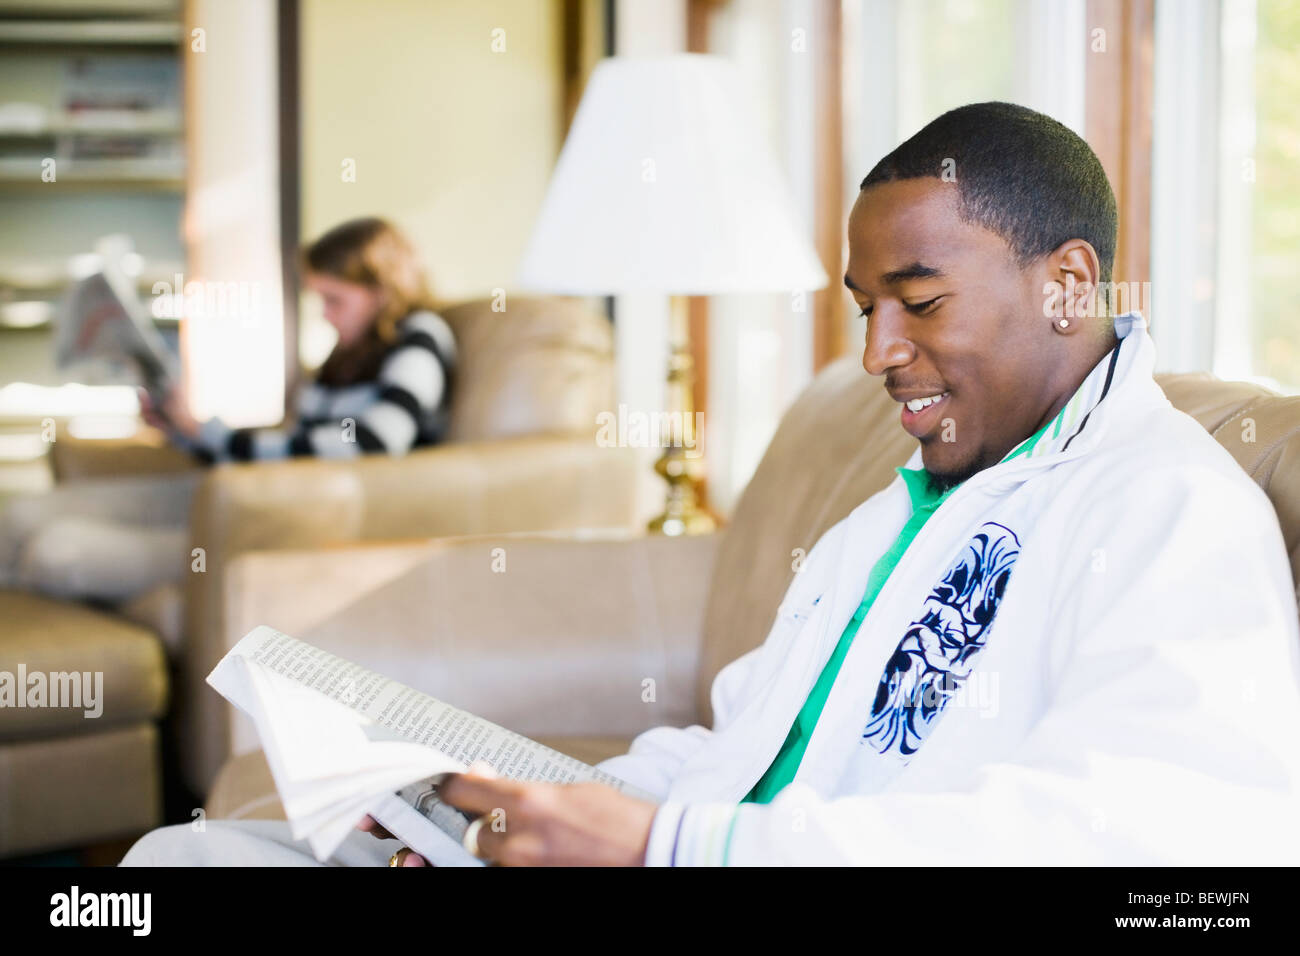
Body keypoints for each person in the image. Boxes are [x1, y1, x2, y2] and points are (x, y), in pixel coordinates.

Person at [121, 102, 1300, 867]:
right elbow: (738, 746)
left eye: (920, 301)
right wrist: (517, 810)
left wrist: (670, 845)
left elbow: (1158, 846)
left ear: (1068, 281)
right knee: (180, 863)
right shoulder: (897, 511)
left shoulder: (1163, 506)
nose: (877, 349)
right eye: (864, 310)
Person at [0, 217, 455, 608]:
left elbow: (375, 444)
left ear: (382, 290)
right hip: (249, 489)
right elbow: (293, 441)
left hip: (281, 520)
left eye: (335, 300)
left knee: (59, 552)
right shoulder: (345, 355)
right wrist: (186, 433)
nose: (327, 316)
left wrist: (216, 435)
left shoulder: (419, 338)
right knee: (17, 514)